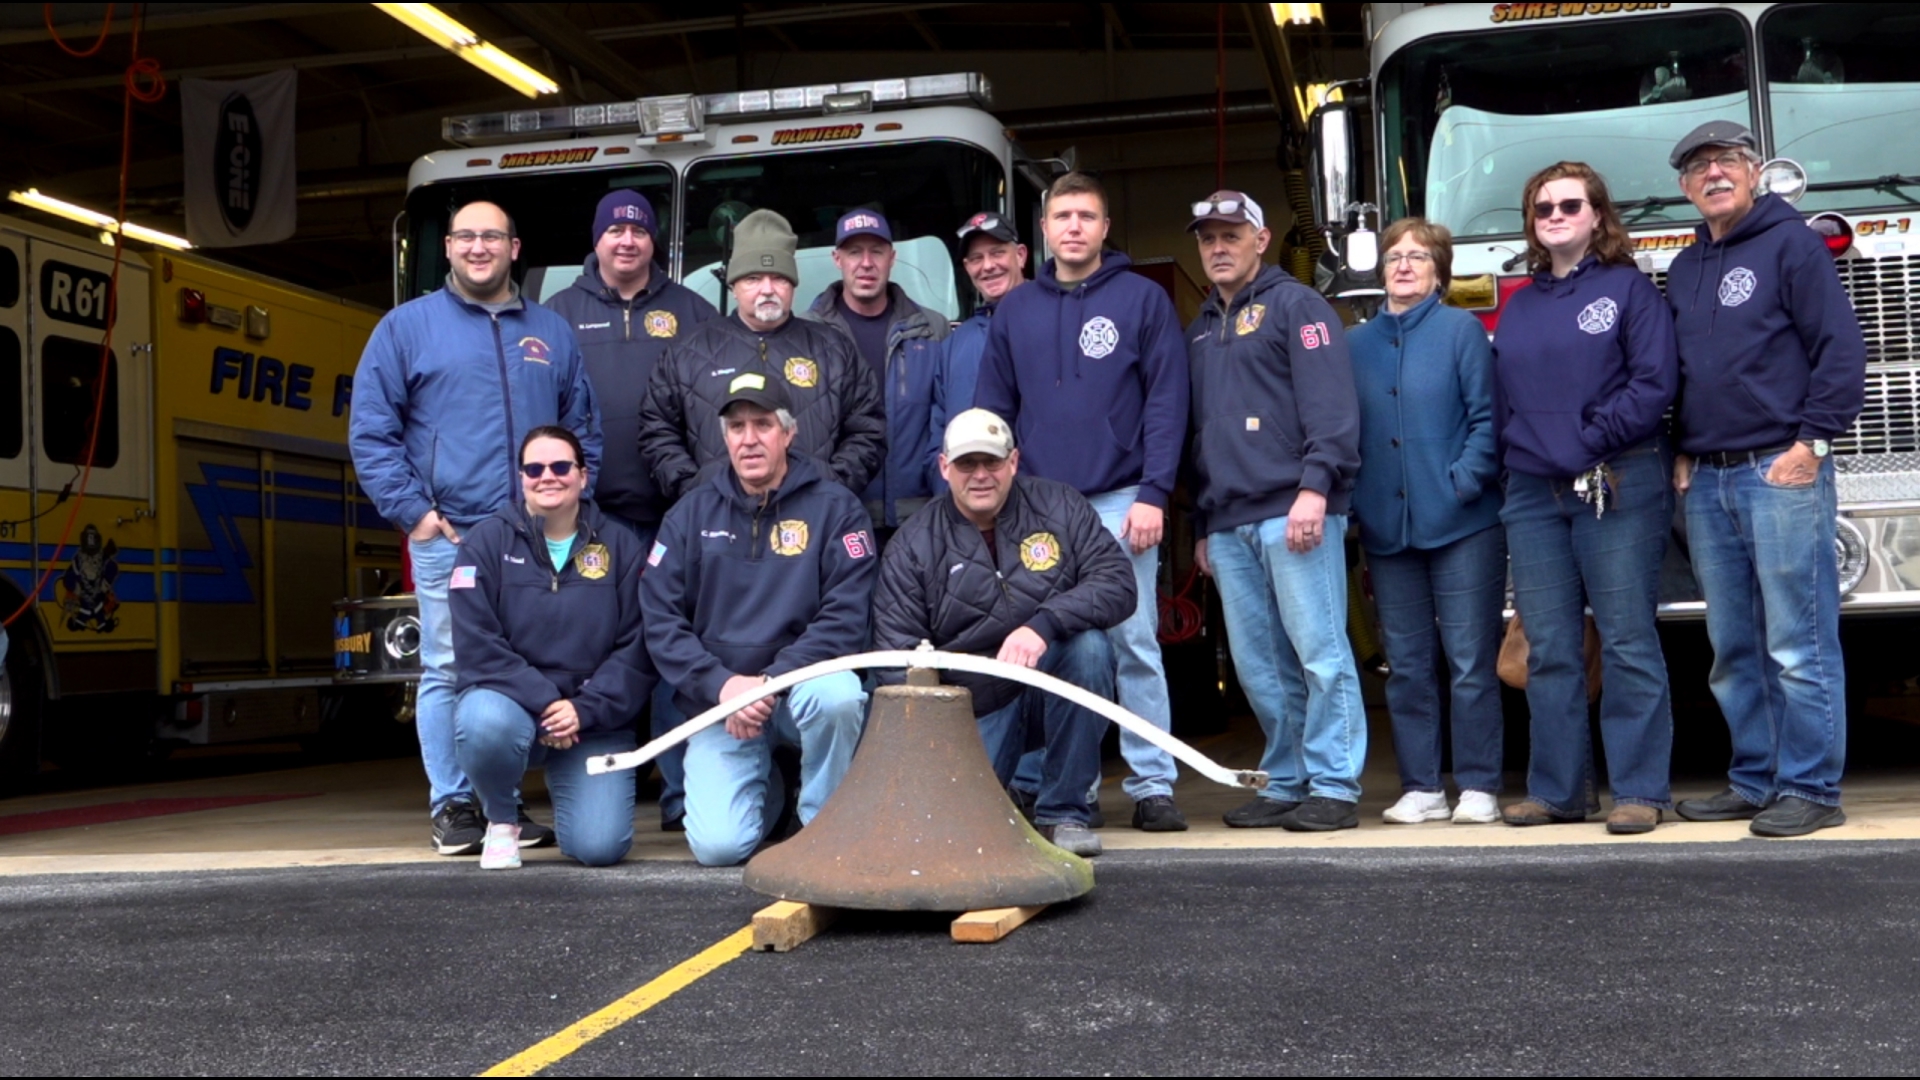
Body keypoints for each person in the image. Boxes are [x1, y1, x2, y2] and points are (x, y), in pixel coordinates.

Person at [351, 199, 601, 856]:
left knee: (525, 665)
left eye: (492, 236)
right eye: (466, 236)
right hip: (452, 536)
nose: (478, 247)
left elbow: (585, 428)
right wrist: (417, 514)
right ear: (450, 249)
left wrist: (573, 507)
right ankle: (454, 806)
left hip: (539, 539)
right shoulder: (406, 329)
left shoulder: (552, 331)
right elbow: (371, 433)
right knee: (448, 667)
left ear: (515, 248)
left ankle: (502, 806)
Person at [1665, 121, 1866, 837]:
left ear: (1753, 173)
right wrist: (1682, 448)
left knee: (1798, 640)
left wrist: (1812, 442)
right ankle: (1754, 779)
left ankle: (1811, 788)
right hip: (1710, 480)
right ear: (1685, 187)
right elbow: (1682, 371)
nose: (1712, 173)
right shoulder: (1685, 268)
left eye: (1725, 162)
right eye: (1697, 167)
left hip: (1778, 470)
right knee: (1733, 645)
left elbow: (1839, 350)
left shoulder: (1794, 246)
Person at [974, 172, 1191, 833]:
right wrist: (997, 504)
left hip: (1122, 501)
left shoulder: (1142, 301)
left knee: (1132, 643)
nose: (1073, 226)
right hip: (1034, 508)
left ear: (1103, 229)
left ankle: (1153, 783)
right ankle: (1075, 789)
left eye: (1086, 216)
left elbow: (1166, 400)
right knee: (1057, 647)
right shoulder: (1014, 311)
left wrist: (1155, 492)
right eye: (1062, 215)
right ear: (1042, 230)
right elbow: (993, 409)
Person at [1492, 162, 1679, 834]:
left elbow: (1654, 385)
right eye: (1543, 209)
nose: (1556, 216)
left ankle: (1641, 790)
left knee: (1627, 638)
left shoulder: (1630, 291)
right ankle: (1560, 790)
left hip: (1617, 478)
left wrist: (1585, 443)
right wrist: (1517, 466)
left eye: (1571, 205)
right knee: (1549, 646)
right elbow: (1502, 398)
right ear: (1533, 225)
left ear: (1598, 214)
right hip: (1533, 494)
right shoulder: (1519, 303)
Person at [874, 408, 1136, 857]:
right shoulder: (912, 544)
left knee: (1089, 650)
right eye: (966, 465)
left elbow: (1117, 584)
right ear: (944, 468)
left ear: (1013, 462)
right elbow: (897, 662)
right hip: (973, 711)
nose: (980, 476)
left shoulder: (1061, 505)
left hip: (1045, 684)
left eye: (992, 463)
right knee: (961, 839)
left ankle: (1064, 813)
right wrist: (941, 747)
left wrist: (1043, 625)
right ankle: (1006, 793)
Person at [1184, 191, 1366, 831]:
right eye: (1208, 238)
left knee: (1319, 652)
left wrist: (1316, 487)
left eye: (1232, 235)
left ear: (1261, 240)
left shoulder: (1299, 305)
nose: (1218, 247)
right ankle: (1287, 779)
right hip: (1229, 522)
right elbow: (1197, 436)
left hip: (1295, 509)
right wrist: (1202, 526)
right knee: (1260, 665)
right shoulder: (1201, 328)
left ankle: (1336, 785)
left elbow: (1334, 409)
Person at [641, 372, 876, 867]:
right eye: (736, 427)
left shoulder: (836, 509)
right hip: (722, 703)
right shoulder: (689, 513)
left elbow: (846, 615)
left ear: (788, 433)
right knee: (718, 849)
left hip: (800, 689)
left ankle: (822, 829)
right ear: (724, 436)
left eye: (763, 425)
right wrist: (723, 687)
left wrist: (770, 682)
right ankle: (773, 788)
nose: (749, 439)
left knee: (838, 698)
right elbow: (660, 618)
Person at [543, 189, 716, 833]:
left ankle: (679, 794)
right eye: (614, 230)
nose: (626, 241)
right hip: (593, 520)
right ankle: (605, 787)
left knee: (676, 650)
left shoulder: (694, 312)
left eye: (639, 231)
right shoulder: (557, 315)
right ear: (596, 240)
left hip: (678, 515)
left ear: (653, 243)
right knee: (601, 651)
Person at [1349, 218, 1505, 825]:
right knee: (1408, 665)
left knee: (1469, 660)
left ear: (1438, 271)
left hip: (1464, 522)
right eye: (1395, 256)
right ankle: (1422, 787)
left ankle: (1479, 787)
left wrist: (1462, 481)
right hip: (1387, 528)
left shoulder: (1461, 330)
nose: (1404, 265)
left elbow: (1488, 419)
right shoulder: (1352, 344)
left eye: (1418, 257)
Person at [448, 426, 654, 869]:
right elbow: (476, 644)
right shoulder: (485, 543)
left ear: (583, 475)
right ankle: (502, 821)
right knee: (482, 722)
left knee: (599, 848)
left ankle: (573, 807)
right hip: (514, 708)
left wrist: (585, 708)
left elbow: (638, 646)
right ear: (520, 477)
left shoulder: (622, 546)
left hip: (592, 720)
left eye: (561, 466)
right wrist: (546, 701)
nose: (548, 477)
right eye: (534, 468)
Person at [637, 208, 884, 504]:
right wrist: (696, 492)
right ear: (734, 284)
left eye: (779, 278)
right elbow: (657, 430)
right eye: (753, 278)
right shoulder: (688, 352)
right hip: (718, 525)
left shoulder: (835, 349)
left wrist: (830, 489)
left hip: (813, 525)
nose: (767, 290)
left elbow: (868, 431)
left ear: (793, 284)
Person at [806, 208, 952, 533]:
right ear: (837, 258)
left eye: (877, 251)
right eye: (854, 252)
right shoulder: (808, 335)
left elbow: (946, 422)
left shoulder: (932, 330)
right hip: (836, 521)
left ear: (892, 257)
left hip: (921, 521)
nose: (866, 263)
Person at [930, 211, 1029, 490]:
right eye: (976, 258)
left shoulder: (1053, 319)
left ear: (1020, 255)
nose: (987, 266)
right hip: (969, 505)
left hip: (1037, 503)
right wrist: (946, 492)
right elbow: (938, 429)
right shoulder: (954, 343)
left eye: (997, 253)